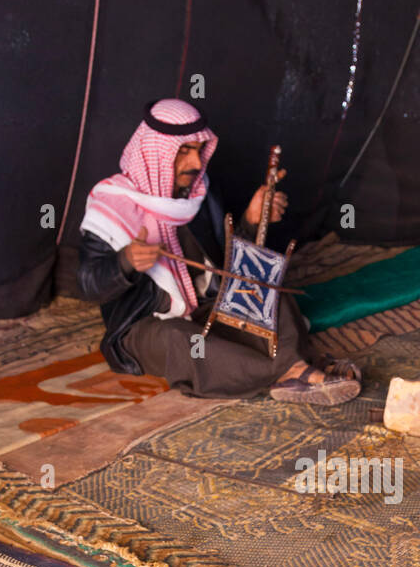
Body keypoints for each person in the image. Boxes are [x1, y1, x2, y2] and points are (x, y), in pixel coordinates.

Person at [77, 98, 360, 403]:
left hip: (207, 307)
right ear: (155, 152)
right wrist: (125, 261)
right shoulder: (112, 205)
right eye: (184, 152)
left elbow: (227, 265)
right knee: (179, 339)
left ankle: (293, 368)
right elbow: (88, 283)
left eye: (198, 151)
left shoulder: (200, 194)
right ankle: (291, 371)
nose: (196, 163)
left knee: (269, 290)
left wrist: (251, 222)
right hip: (145, 324)